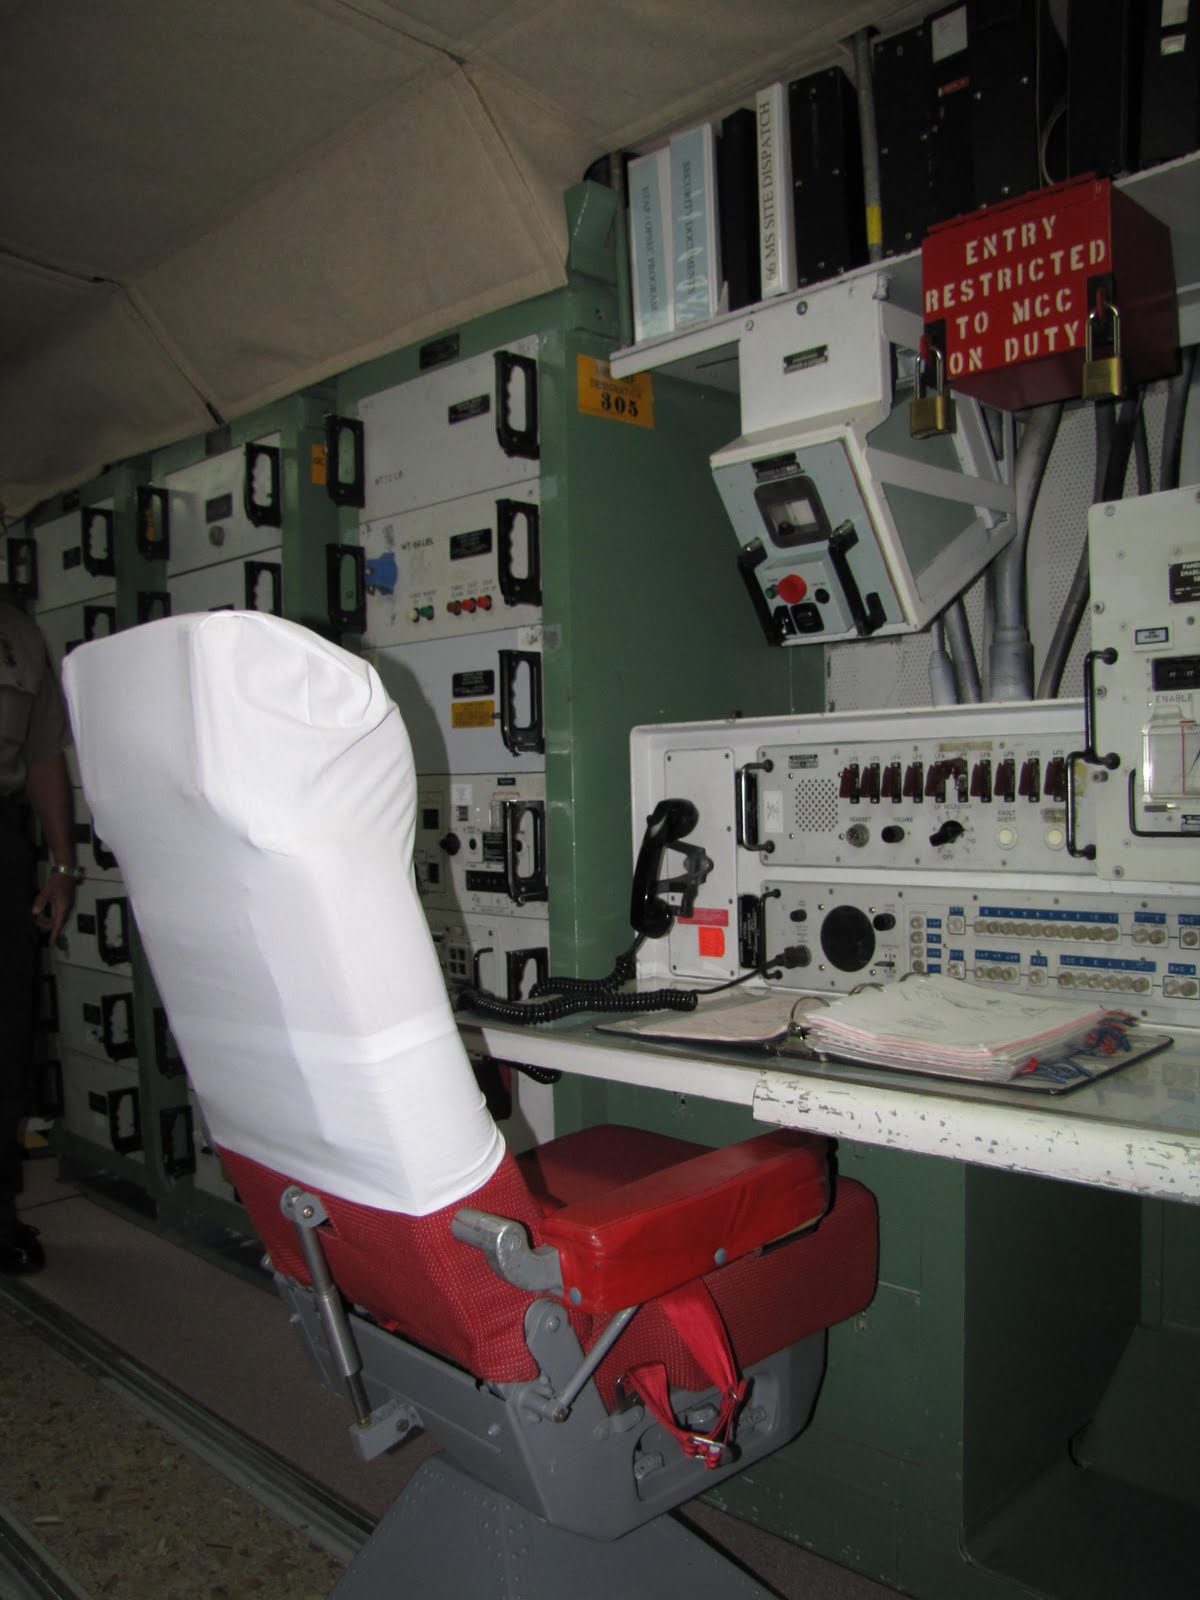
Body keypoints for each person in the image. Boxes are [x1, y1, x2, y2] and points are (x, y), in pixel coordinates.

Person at [0, 593, 77, 1274]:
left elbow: (44, 753)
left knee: (5, 1035)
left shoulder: (18, 633)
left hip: (0, 840)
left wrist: (60, 863)